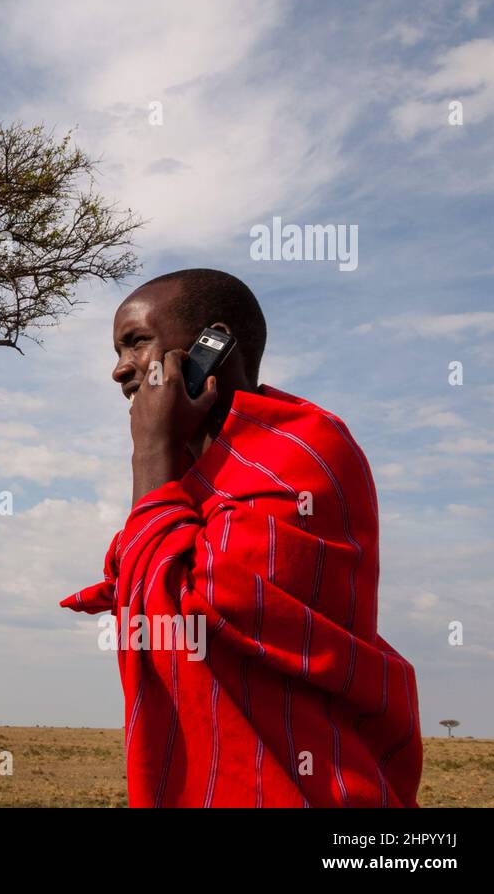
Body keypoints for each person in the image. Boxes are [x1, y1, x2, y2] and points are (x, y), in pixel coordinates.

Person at [61, 268, 423, 807]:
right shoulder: (199, 473)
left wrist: (150, 452)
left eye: (137, 342)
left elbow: (178, 611)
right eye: (117, 349)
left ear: (214, 344)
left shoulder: (302, 451)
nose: (119, 370)